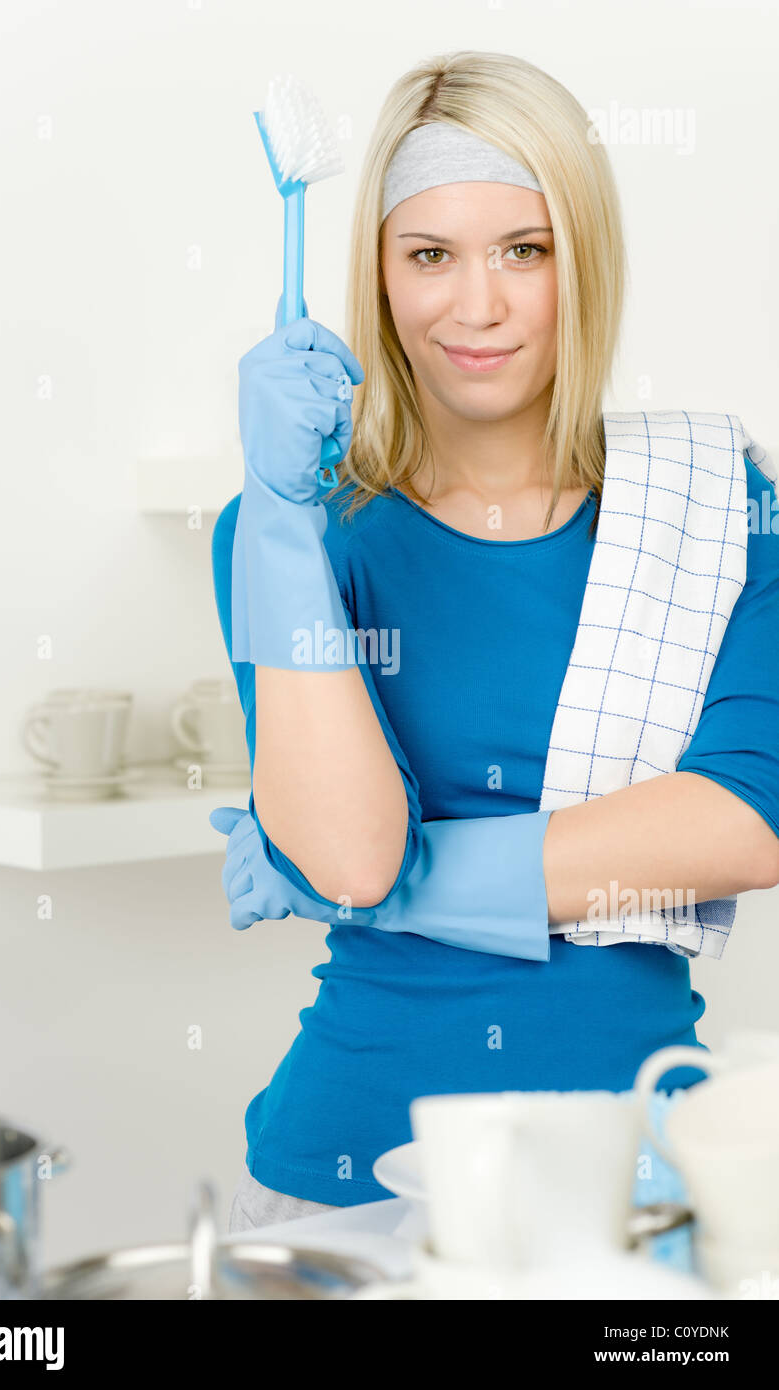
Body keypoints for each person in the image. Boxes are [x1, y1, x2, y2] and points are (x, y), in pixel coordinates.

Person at [210, 50, 779, 1235]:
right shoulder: (293, 535)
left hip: (631, 1176)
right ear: (376, 273)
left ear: (586, 260)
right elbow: (349, 857)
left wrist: (406, 880)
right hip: (350, 1170)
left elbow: (742, 822)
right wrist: (277, 520)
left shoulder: (722, 507)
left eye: (524, 250)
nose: (475, 306)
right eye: (429, 256)